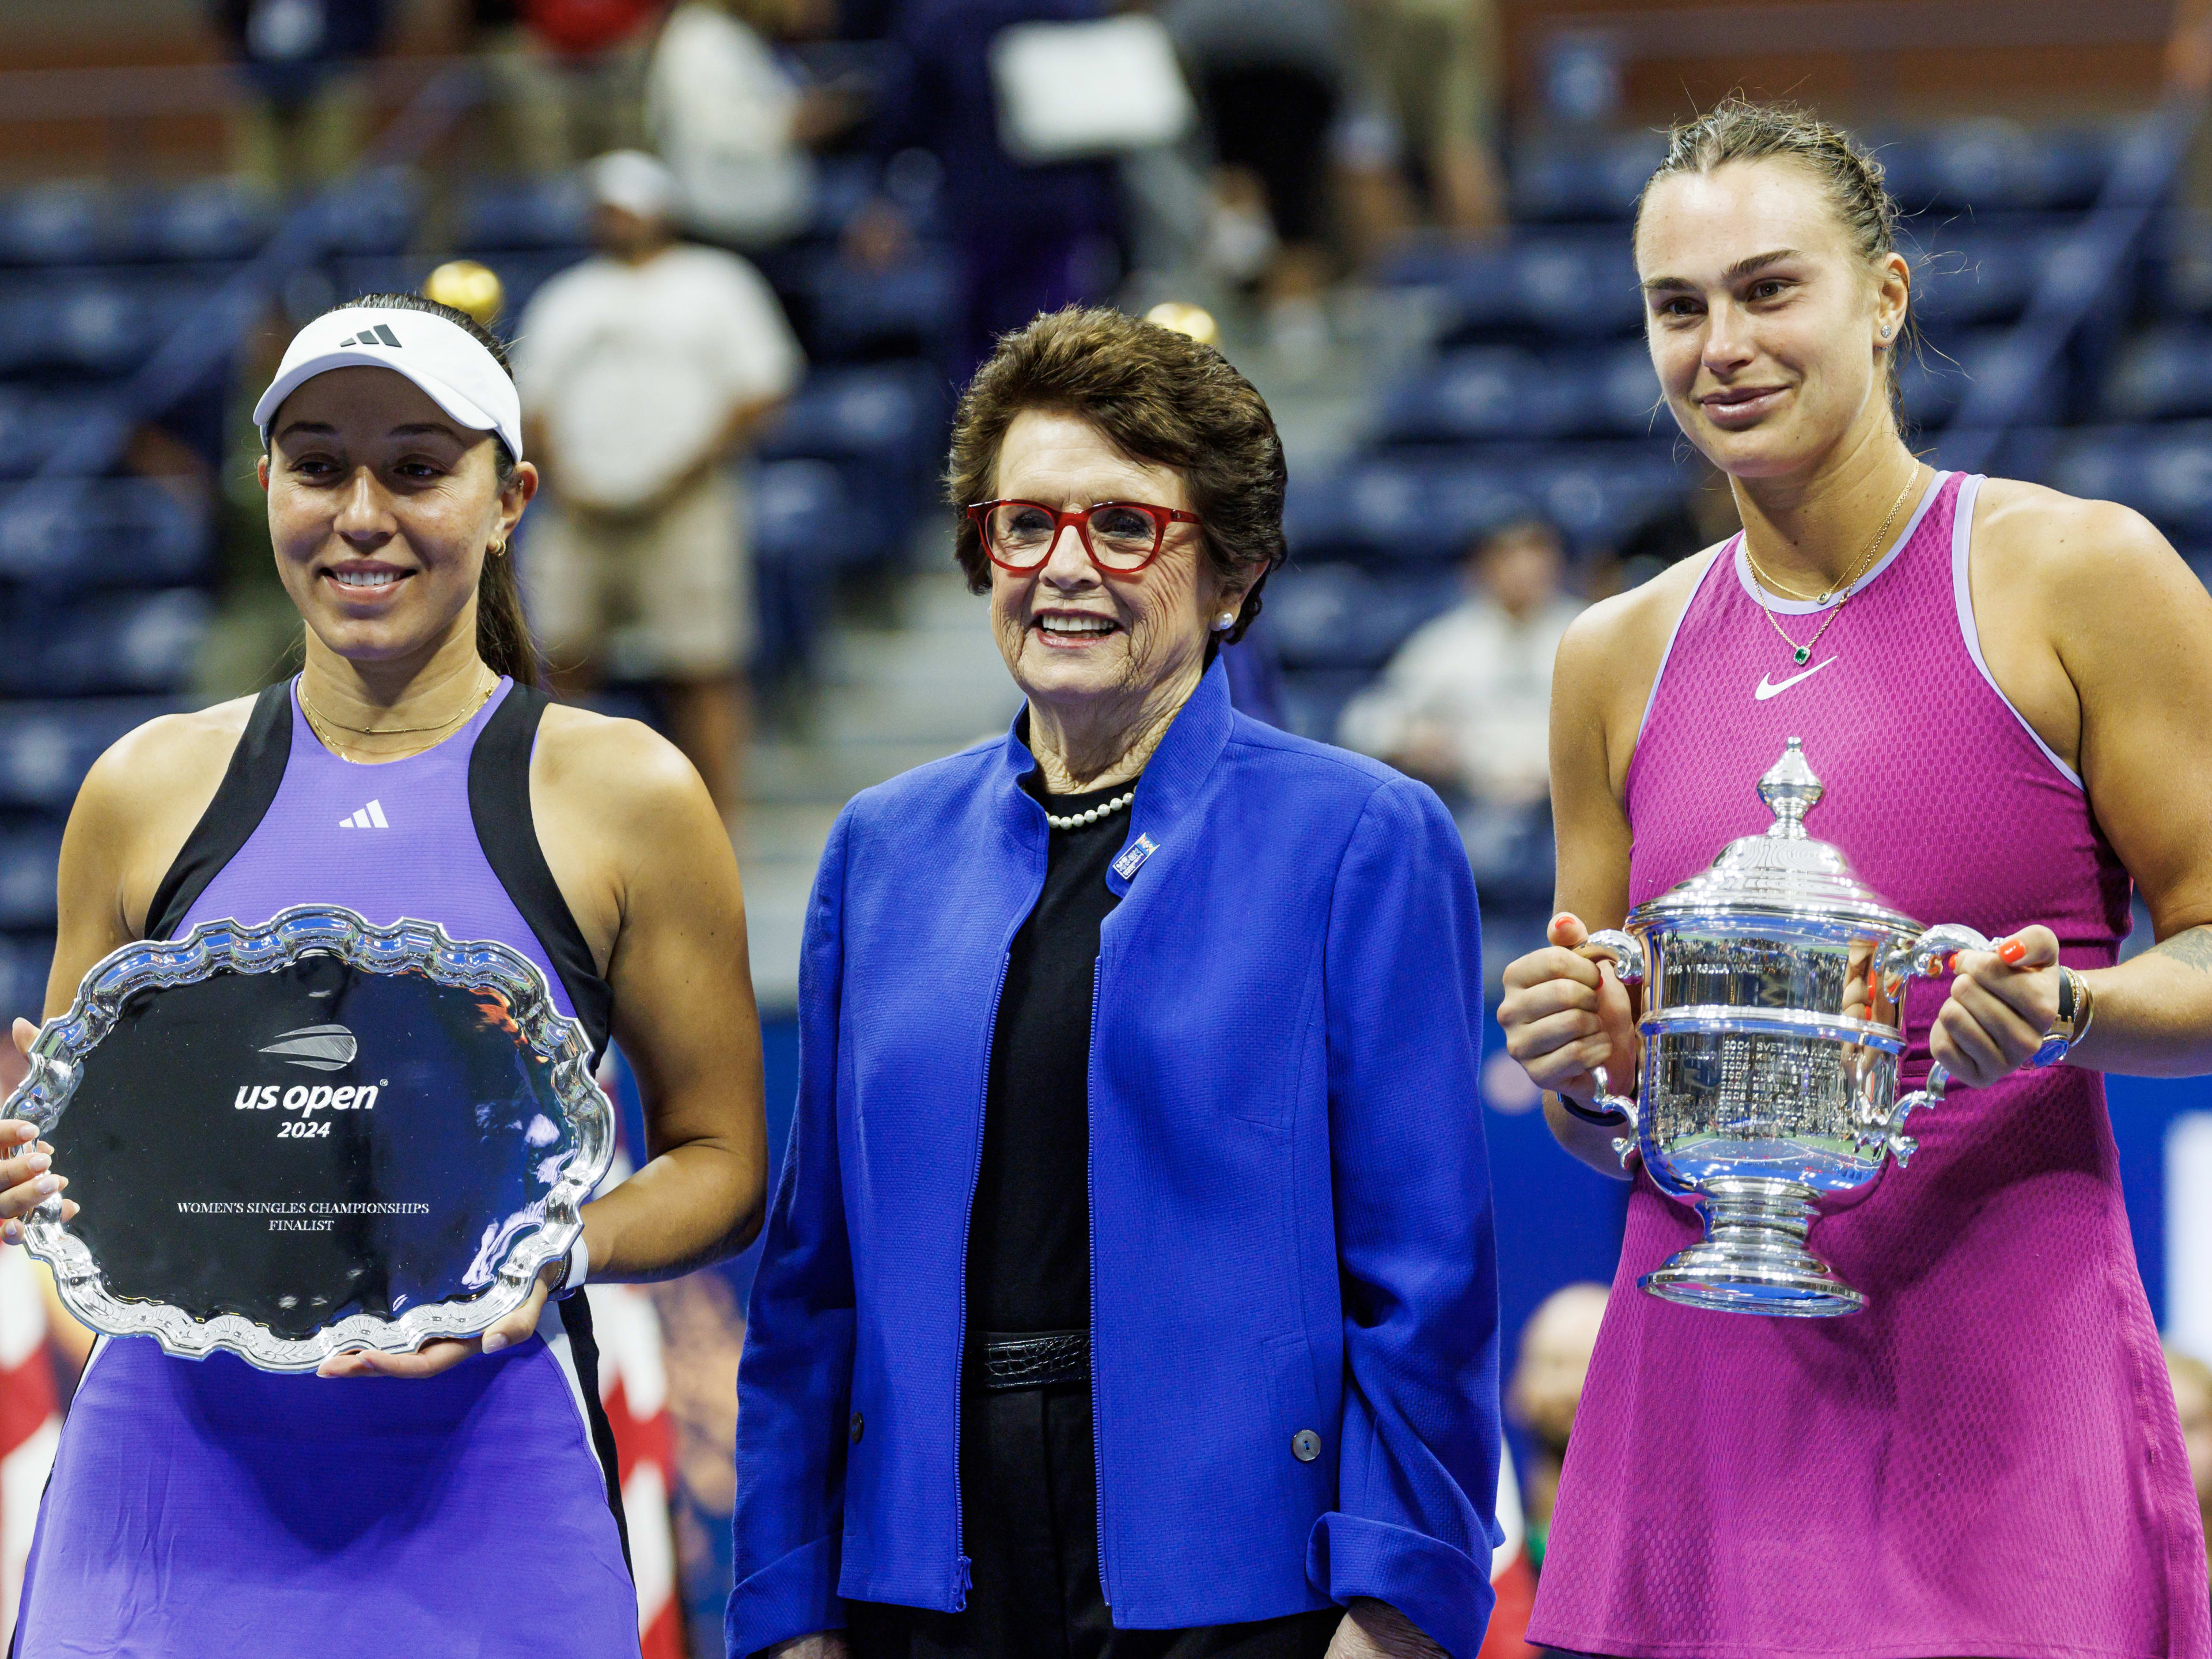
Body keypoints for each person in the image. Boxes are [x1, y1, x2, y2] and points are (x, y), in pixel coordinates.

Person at [1496, 99, 2212, 1656]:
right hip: (1702, 1410)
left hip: (2002, 1409)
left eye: (1770, 289)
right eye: (1676, 308)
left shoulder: (2082, 576)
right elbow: (1610, 1108)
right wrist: (1584, 1068)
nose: (1720, 346)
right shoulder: (1612, 657)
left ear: (1885, 299)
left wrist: (2071, 1009)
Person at [0, 293, 770, 1654]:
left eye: (418, 467)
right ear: (267, 489)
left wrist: (555, 1249)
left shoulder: (628, 793)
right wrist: (26, 1173)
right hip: (163, 1502)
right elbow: (87, 1162)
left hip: (491, 1492)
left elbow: (719, 1157)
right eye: (318, 465)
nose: (363, 513)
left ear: (509, 495)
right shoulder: (141, 789)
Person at [729, 306, 1501, 1659]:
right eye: (1023, 524)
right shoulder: (880, 847)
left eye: (1124, 525)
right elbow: (812, 1289)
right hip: (921, 1585)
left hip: (1243, 1587)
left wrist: (1390, 1612)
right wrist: (789, 1608)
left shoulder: (1359, 835)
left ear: (1232, 570)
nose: (1063, 566)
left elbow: (1423, 1284)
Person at [515, 149, 804, 815]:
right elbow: (533, 403)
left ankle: (720, 828)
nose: (614, 219)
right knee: (562, 666)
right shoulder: (569, 296)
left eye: (626, 206)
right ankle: (558, 822)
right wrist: (561, 475)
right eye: (605, 207)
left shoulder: (716, 282)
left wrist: (683, 470)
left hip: (689, 503)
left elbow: (762, 389)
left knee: (704, 666)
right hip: (578, 509)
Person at [1338, 517, 1581, 809]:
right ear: (1480, 568)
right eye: (1508, 556)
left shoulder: (1592, 633)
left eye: (1536, 554)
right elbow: (1365, 722)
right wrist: (1408, 739)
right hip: (1473, 804)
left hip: (1573, 802)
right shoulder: (1449, 642)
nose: (1524, 569)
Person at [1499, 1282, 1605, 1582]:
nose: (1573, 1389)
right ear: (1518, 1390)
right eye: (1557, 1365)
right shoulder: (1492, 1559)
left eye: (1595, 1365)